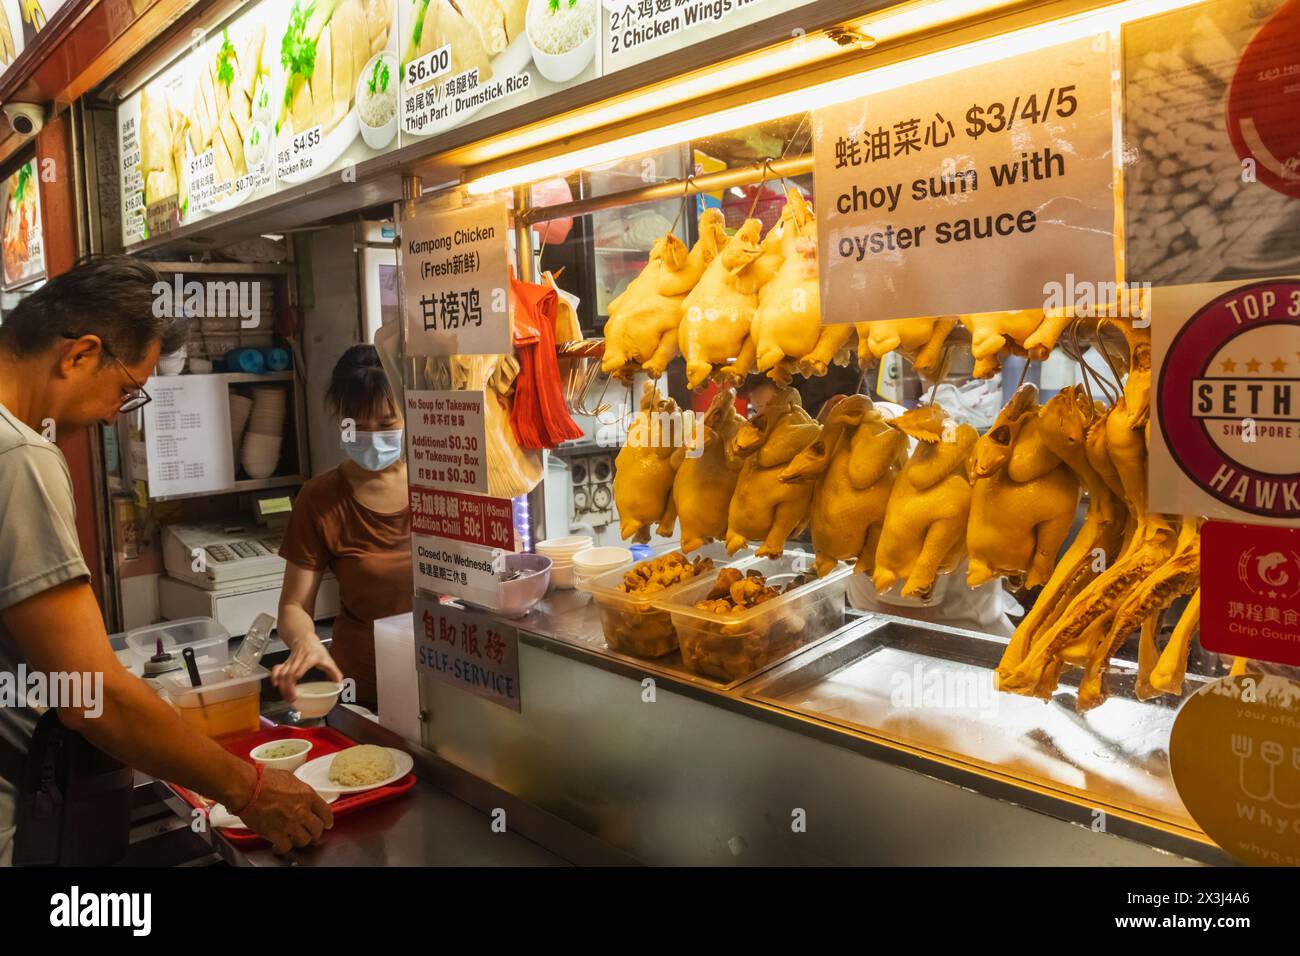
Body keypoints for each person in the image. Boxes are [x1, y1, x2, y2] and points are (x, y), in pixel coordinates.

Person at [0, 256, 332, 864]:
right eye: (126, 390)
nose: (111, 414)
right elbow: (90, 694)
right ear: (79, 354)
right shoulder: (20, 456)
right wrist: (249, 788)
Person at [272, 346, 411, 710]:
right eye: (358, 426)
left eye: (386, 424)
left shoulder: (440, 483)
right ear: (340, 419)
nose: (374, 437)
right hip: (363, 687)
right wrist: (305, 640)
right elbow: (292, 607)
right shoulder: (320, 498)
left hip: (447, 678)